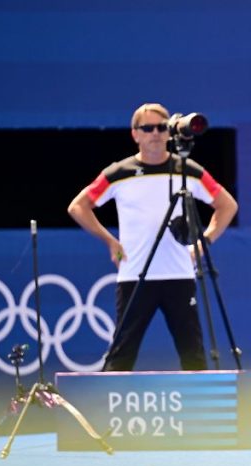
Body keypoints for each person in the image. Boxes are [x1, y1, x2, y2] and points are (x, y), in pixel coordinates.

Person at [68, 102, 238, 372]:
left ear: (170, 131)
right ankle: (110, 413)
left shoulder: (189, 169)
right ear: (135, 133)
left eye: (161, 127)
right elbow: (78, 206)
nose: (155, 134)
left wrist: (203, 242)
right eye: (148, 128)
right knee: (121, 355)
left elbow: (227, 205)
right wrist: (110, 241)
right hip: (135, 275)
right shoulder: (118, 173)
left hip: (180, 274)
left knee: (193, 354)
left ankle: (202, 411)